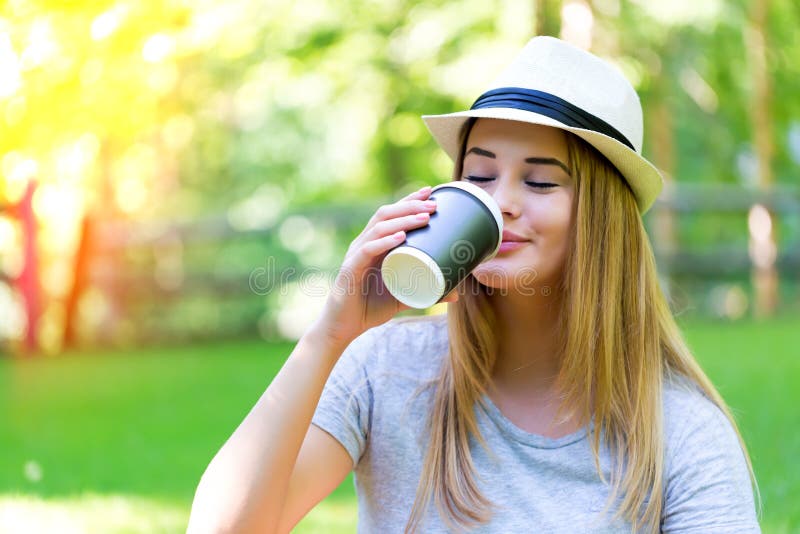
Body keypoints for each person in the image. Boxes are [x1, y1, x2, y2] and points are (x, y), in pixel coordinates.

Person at [187, 36, 761, 533]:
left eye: (539, 182)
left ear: (601, 218)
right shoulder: (384, 372)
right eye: (480, 175)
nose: (501, 201)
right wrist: (328, 335)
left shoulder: (680, 431)